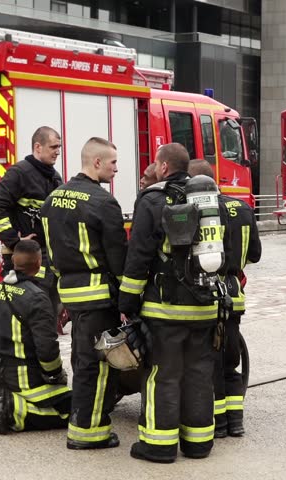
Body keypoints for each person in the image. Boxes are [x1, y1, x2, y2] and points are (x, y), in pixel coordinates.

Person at [119, 143, 221, 464]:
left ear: (163, 168)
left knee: (162, 374)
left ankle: (159, 446)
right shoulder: (208, 202)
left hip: (164, 310)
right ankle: (198, 444)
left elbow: (138, 258)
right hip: (205, 306)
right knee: (199, 373)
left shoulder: (152, 200)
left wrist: (128, 301)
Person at [40, 137, 127, 450]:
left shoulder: (53, 198)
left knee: (81, 358)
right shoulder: (104, 203)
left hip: (70, 293)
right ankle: (89, 431)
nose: (117, 169)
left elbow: (49, 250)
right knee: (98, 363)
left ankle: (82, 417)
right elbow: (118, 258)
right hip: (98, 295)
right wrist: (128, 296)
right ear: (97, 163)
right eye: (114, 163)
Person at [187, 159, 261, 439]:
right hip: (234, 296)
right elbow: (255, 254)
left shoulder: (199, 209)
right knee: (231, 361)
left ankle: (217, 423)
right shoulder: (242, 208)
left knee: (210, 363)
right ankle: (236, 421)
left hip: (207, 296)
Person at [0, 239, 72, 434]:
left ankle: (1, 396)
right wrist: (56, 375)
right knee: (78, 410)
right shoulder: (37, 298)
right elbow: (47, 350)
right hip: (27, 381)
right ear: (39, 263)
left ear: (14, 261)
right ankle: (13, 409)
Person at [0, 126, 63, 313]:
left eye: (59, 147)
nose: (58, 152)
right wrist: (15, 241)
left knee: (46, 308)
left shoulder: (54, 177)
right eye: (53, 147)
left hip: (46, 256)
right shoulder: (19, 173)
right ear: (38, 147)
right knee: (27, 310)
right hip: (22, 258)